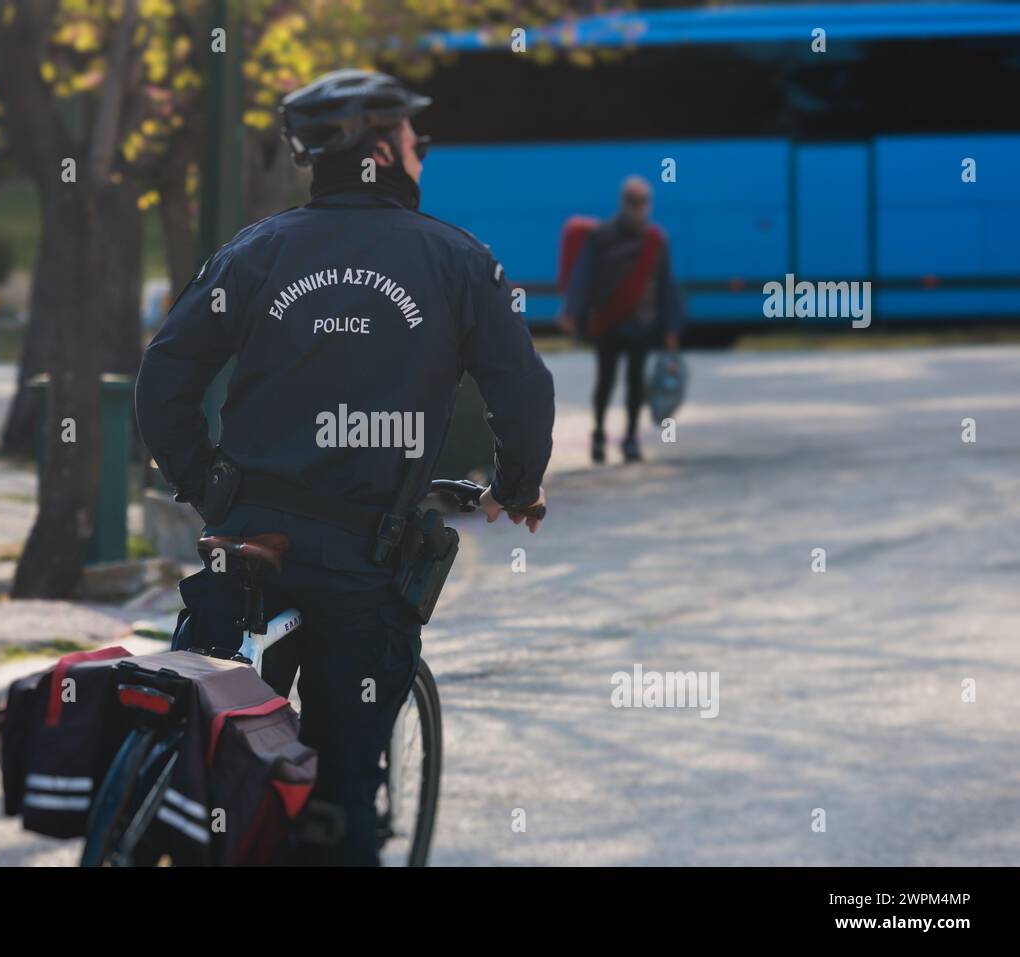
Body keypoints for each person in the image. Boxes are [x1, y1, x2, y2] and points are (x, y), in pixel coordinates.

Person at [134, 68, 555, 865]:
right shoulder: (456, 260)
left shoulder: (255, 251)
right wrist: (516, 484)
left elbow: (164, 378)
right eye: (412, 137)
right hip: (361, 561)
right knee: (343, 785)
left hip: (245, 533)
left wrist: (208, 486)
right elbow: (523, 394)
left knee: (206, 747)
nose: (419, 150)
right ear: (386, 149)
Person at [558, 175, 681, 463]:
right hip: (608, 322)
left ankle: (630, 439)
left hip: (641, 322)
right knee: (605, 381)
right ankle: (599, 435)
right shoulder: (601, 236)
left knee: (636, 383)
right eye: (633, 201)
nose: (638, 207)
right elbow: (583, 276)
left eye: (643, 202)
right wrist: (572, 312)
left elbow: (666, 284)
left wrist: (672, 326)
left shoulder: (655, 240)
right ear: (623, 202)